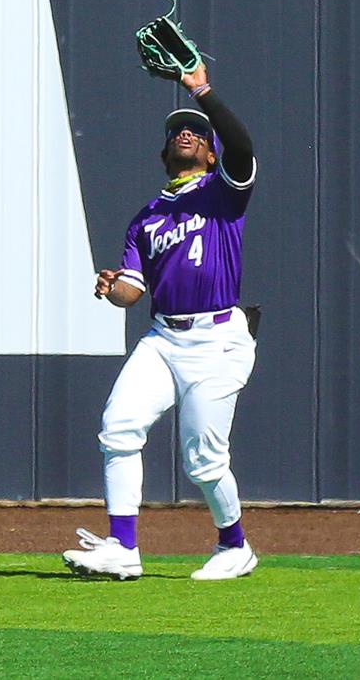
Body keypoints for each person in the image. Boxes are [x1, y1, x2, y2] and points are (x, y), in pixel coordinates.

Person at [62, 62, 259, 582]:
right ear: (164, 153)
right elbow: (132, 291)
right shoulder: (146, 218)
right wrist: (111, 288)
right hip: (164, 338)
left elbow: (242, 146)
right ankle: (122, 548)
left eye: (195, 130)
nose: (186, 133)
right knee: (118, 429)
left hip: (218, 338)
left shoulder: (224, 192)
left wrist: (203, 91)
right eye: (176, 132)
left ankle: (234, 545)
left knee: (204, 462)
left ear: (212, 153)